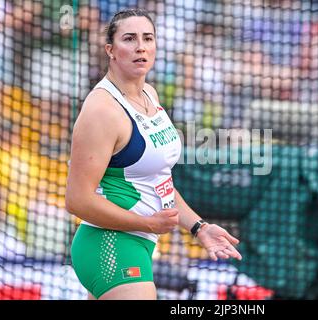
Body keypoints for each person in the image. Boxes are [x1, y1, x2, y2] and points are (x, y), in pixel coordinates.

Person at [65, 8, 242, 300]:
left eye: (148, 38)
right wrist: (147, 223)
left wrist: (199, 227)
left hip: (141, 244)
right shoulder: (102, 109)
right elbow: (77, 200)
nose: (140, 47)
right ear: (110, 49)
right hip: (109, 243)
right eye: (129, 39)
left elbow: (160, 181)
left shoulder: (149, 94)